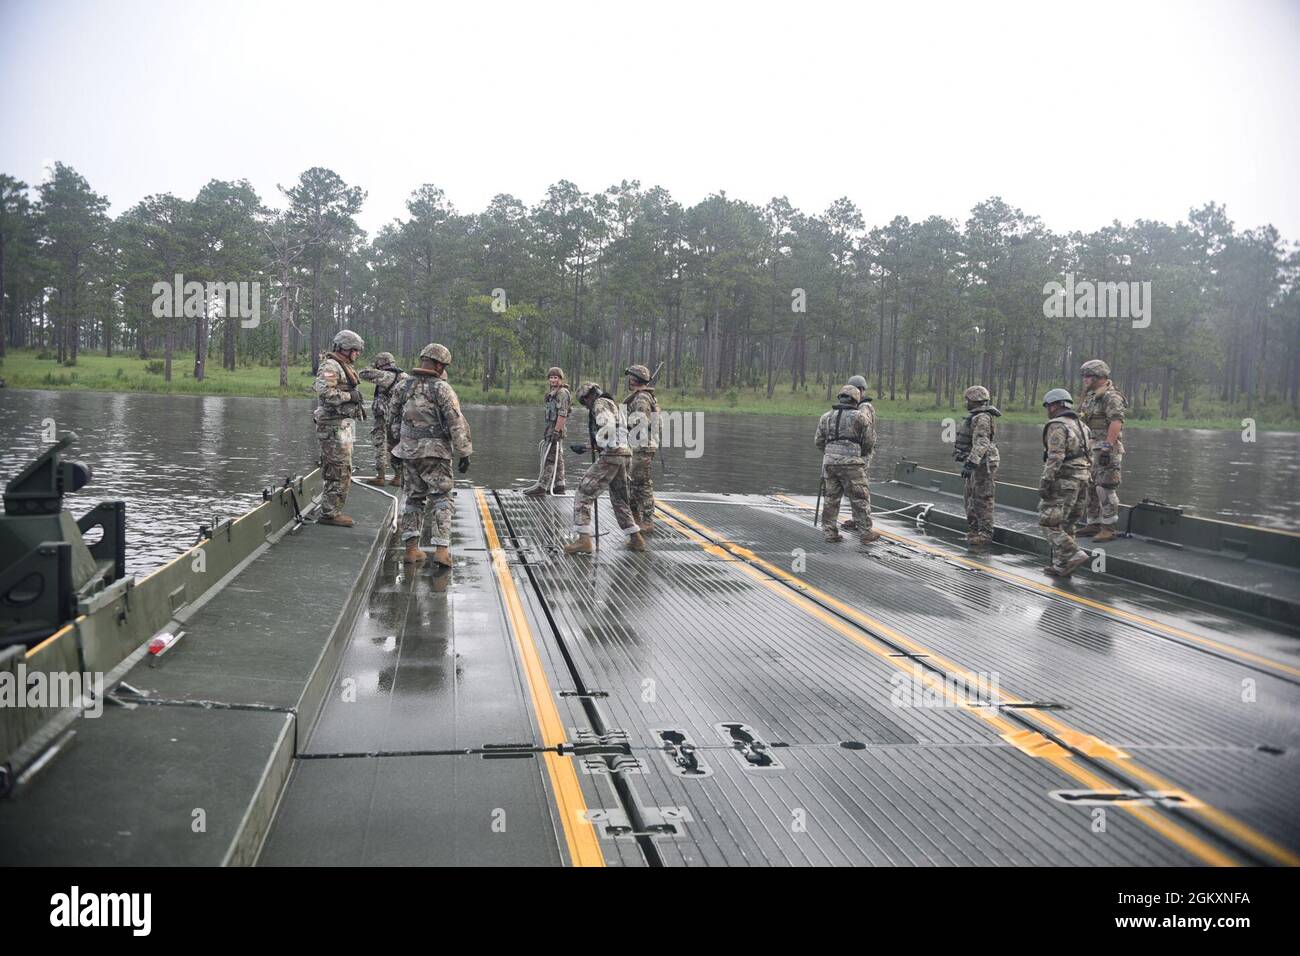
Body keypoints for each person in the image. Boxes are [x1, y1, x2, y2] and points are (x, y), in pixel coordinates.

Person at [388, 343, 472, 567]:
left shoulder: (403, 386)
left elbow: (392, 419)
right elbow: (456, 422)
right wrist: (464, 452)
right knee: (442, 499)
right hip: (436, 454)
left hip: (409, 453)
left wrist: (397, 446)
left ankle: (411, 550)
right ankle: (441, 551)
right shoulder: (442, 389)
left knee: (413, 499)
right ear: (438, 364)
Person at [563, 382, 645, 555]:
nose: (586, 407)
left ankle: (584, 539)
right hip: (625, 454)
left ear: (588, 397)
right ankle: (636, 538)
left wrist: (597, 444)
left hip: (612, 455)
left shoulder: (600, 404)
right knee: (620, 499)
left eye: (584, 403)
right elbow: (617, 431)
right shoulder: (613, 404)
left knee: (584, 493)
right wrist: (587, 447)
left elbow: (607, 430)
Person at [312, 329, 366, 527]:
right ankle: (329, 513)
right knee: (337, 469)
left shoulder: (344, 366)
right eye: (355, 350)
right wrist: (350, 397)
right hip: (333, 424)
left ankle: (334, 509)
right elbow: (326, 393)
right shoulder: (331, 366)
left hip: (344, 424)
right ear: (345, 348)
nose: (357, 354)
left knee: (345, 467)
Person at [816, 384, 881, 545]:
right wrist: (859, 454)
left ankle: (830, 532)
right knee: (859, 497)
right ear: (855, 400)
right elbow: (869, 442)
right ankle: (866, 532)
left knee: (831, 497)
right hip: (851, 463)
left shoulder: (826, 416)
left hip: (829, 462)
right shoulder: (860, 417)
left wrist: (830, 452)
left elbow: (818, 441)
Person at [1038, 388, 1092, 577]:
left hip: (1064, 480)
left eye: (1047, 406)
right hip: (1083, 479)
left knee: (1048, 522)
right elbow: (1089, 454)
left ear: (1054, 405)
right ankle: (1061, 565)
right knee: (1068, 524)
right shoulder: (1082, 425)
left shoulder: (1057, 425)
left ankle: (1072, 553)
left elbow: (1056, 456)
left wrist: (1046, 481)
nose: (1047, 410)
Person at [1077, 359, 1127, 544]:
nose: (1084, 379)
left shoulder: (1111, 397)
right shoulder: (1091, 397)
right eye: (1083, 376)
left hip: (1106, 449)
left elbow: (1116, 422)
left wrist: (1107, 446)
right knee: (1090, 486)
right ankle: (1094, 523)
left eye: (1088, 376)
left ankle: (1108, 528)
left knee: (1104, 488)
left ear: (1099, 376)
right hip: (1091, 449)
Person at [953, 385, 1001, 549]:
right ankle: (974, 530)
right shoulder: (976, 417)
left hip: (984, 463)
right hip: (976, 462)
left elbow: (982, 442)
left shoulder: (983, 418)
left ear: (975, 400)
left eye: (968, 400)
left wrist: (971, 463)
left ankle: (985, 534)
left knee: (983, 498)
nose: (966, 403)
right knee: (970, 496)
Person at [358, 351, 406, 487]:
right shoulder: (404, 376)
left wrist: (372, 367)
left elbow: (363, 374)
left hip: (383, 416)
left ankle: (381, 476)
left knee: (380, 444)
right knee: (396, 446)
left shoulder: (386, 375)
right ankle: (398, 477)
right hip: (398, 418)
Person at [623, 364, 659, 533]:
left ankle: (647, 520)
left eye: (630, 377)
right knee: (633, 483)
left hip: (642, 446)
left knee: (642, 483)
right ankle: (636, 517)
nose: (628, 380)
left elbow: (641, 422)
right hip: (638, 445)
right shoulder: (642, 396)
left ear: (634, 379)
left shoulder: (642, 399)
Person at [524, 367, 570, 495]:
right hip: (550, 428)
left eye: (556, 377)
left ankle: (542, 486)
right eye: (551, 377)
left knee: (549, 457)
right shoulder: (552, 392)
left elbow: (562, 414)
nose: (553, 380)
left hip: (556, 429)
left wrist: (556, 431)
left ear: (560, 379)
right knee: (557, 457)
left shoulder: (562, 393)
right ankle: (560, 485)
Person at [840, 374, 876, 532]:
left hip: (861, 454)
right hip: (856, 453)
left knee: (861, 488)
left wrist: (861, 453)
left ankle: (863, 521)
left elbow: (866, 432)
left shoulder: (864, 408)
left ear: (861, 390)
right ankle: (857, 518)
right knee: (854, 488)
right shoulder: (858, 407)